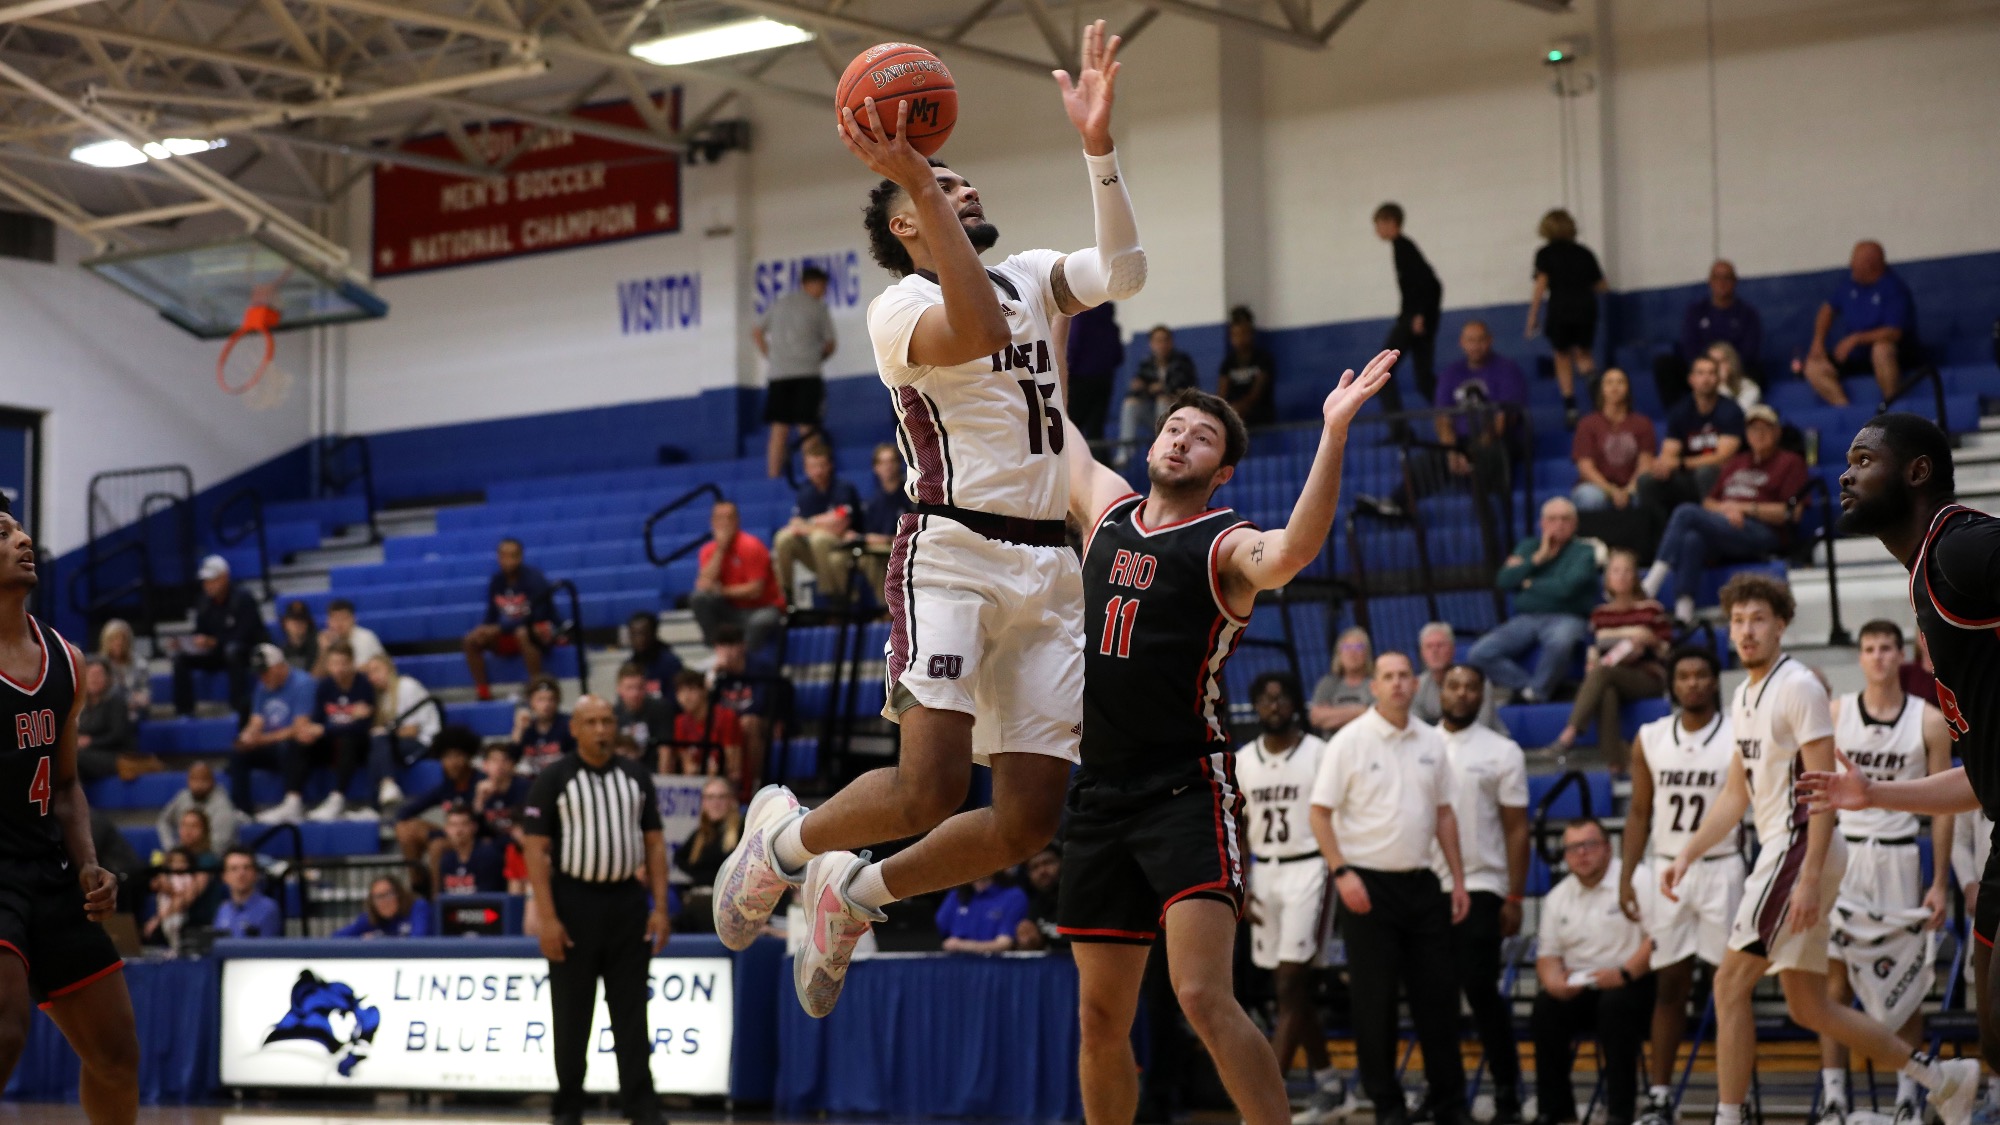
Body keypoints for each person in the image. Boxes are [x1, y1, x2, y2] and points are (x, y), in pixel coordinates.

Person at [714, 20, 1153, 1021]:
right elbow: (981, 328)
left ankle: (850, 894)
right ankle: (778, 847)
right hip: (949, 552)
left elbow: (1121, 272)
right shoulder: (898, 310)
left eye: (957, 178)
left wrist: (1097, 145)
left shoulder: (1033, 271)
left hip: (1049, 568)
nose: (957, 184)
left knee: (1028, 821)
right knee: (926, 790)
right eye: (937, 186)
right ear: (907, 225)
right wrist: (911, 178)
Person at [1055, 342, 1393, 1125]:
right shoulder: (1105, 509)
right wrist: (1054, 327)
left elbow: (1294, 550)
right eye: (1172, 427)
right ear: (1151, 443)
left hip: (1184, 788)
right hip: (1100, 790)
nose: (1179, 439)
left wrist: (1333, 433)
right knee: (1099, 1019)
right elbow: (1059, 424)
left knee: (1203, 994)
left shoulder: (1226, 543)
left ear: (1222, 470)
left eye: (1200, 437)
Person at [1662, 574, 1979, 1125]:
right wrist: (1689, 851)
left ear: (1782, 624)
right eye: (1737, 621)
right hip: (1785, 850)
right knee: (1808, 1005)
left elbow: (1822, 791)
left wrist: (1808, 876)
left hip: (1799, 848)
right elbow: (1737, 792)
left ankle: (1728, 1118)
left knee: (1728, 984)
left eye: (1758, 619)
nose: (1746, 630)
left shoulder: (1799, 688)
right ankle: (1943, 1077)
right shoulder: (1742, 693)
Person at [1805, 414, 2000, 1073]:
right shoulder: (1928, 573)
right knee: (1995, 1041)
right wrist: (1873, 792)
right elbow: (1981, 774)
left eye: (1863, 459)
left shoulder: (1959, 547)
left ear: (1917, 471)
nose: (1844, 472)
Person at [0, 492, 140, 1120]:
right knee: (4, 1034)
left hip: (47, 868)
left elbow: (63, 785)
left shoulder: (67, 660)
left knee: (117, 1056)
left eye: (21, 530)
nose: (22, 539)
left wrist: (88, 863)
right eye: (2, 534)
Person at [1310, 652, 1473, 1125]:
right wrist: (1342, 873)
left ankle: (1449, 1104)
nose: (1399, 683)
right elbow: (1319, 813)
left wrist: (1458, 880)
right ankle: (1387, 1105)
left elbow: (1444, 813)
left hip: (1424, 884)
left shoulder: (1431, 740)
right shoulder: (1349, 741)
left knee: (1438, 999)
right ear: (1374, 687)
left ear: (1416, 683)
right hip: (1367, 885)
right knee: (1374, 1002)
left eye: (1405, 676)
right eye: (1389, 677)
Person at [1814, 619, 1954, 1125]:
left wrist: (1939, 881)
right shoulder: (1835, 714)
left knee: (1907, 987)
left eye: (1886, 647)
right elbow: (1821, 804)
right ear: (1859, 658)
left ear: (1901, 656)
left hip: (1899, 857)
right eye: (1869, 648)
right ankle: (1833, 1099)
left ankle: (1907, 1099)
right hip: (1845, 856)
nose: (1877, 656)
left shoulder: (1930, 720)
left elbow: (1943, 810)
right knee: (1832, 987)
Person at [521, 694, 671, 1125]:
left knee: (631, 1013)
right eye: (592, 722)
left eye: (607, 721)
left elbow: (655, 845)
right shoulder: (553, 778)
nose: (602, 730)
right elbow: (534, 850)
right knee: (571, 1014)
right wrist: (547, 918)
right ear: (574, 728)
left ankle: (641, 1107)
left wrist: (659, 908)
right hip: (573, 903)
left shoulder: (635, 776)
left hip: (626, 902)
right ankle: (568, 1108)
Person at [1620, 646, 1744, 1125]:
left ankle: (1729, 1100)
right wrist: (1628, 875)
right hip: (1668, 869)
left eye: (1700, 675)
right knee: (1669, 986)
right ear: (1672, 685)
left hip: (1722, 866)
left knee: (1727, 988)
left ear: (1715, 681)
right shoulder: (1649, 737)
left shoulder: (1736, 732)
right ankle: (1659, 1097)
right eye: (1684, 676)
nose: (1692, 683)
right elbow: (1637, 813)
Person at [1235, 673, 1342, 1121]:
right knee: (1289, 989)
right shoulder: (1242, 759)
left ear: (1295, 703)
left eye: (1280, 698)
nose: (1273, 706)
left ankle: (1263, 1105)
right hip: (1265, 872)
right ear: (1255, 707)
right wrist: (1239, 884)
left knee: (1290, 982)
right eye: (1264, 699)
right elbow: (1233, 828)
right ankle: (1331, 1084)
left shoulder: (1320, 754)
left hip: (1311, 867)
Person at [1433, 664, 1530, 1125]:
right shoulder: (1419, 744)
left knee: (1479, 987)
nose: (1462, 693)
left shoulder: (1503, 751)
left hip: (1482, 884)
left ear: (1482, 696)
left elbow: (1516, 829)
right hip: (1426, 886)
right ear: (1440, 691)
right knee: (1435, 996)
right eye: (1454, 685)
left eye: (1472, 687)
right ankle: (1444, 1096)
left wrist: (1515, 897)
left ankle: (1508, 1088)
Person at [1533, 819, 1657, 1125]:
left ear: (1607, 847)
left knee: (1615, 1008)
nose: (1582, 854)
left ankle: (1620, 1112)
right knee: (1545, 1008)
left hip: (1634, 982)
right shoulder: (1557, 897)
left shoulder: (1639, 880)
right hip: (1582, 987)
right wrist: (1555, 984)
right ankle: (1555, 1110)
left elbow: (1658, 939)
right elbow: (1548, 957)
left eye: (1589, 844)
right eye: (1573, 848)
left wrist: (1624, 975)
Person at [1641, 403, 1808, 623]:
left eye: (1765, 429)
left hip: (1765, 532)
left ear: (1777, 432)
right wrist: (1727, 509)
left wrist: (1745, 508)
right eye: (1753, 429)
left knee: (1685, 512)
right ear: (1746, 434)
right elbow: (1709, 501)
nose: (1759, 434)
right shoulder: (1736, 462)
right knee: (1692, 539)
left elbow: (1791, 513)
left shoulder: (1790, 462)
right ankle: (1684, 613)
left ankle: (1650, 585)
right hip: (1729, 526)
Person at [1548, 549, 1673, 771]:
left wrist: (1651, 640)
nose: (1622, 576)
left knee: (1604, 673)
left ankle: (1571, 731)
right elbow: (1593, 657)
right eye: (1616, 571)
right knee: (1606, 690)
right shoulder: (1599, 615)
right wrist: (1595, 664)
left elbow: (1668, 653)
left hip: (1648, 676)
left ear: (1635, 577)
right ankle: (1615, 763)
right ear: (1607, 578)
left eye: (1627, 571)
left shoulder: (1651, 609)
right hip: (1611, 675)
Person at [1468, 497, 1597, 704]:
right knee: (1479, 653)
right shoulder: (1528, 547)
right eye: (1552, 519)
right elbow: (1504, 580)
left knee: (1560, 642)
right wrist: (1537, 559)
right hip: (1527, 617)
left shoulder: (1584, 551)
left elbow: (1567, 589)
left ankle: (1537, 694)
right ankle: (1529, 688)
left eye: (1565, 519)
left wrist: (1529, 583)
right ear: (1542, 523)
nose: (1559, 524)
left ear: (1575, 524)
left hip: (1568, 616)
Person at [1802, 241, 1920, 408]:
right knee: (1813, 366)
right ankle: (1845, 409)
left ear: (1870, 264)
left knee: (1881, 350)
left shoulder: (1893, 289)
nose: (1850, 265)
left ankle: (1892, 407)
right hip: (1856, 357)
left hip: (1894, 356)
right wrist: (1818, 341)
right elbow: (1827, 309)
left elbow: (1894, 332)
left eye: (1855, 261)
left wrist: (1856, 339)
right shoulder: (1850, 285)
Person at [1638, 353, 1746, 524]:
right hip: (1688, 478)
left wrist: (1681, 464)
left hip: (1724, 477)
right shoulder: (1680, 410)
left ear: (1718, 379)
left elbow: (1722, 457)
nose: (1706, 379)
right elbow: (1669, 451)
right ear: (1691, 379)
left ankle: (1713, 528)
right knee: (1647, 481)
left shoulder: (1731, 411)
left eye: (1711, 373)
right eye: (1701, 373)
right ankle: (1658, 539)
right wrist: (1664, 466)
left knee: (1707, 471)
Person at [1525, 208, 1608, 428]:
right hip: (1585, 306)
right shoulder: (1584, 252)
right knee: (1583, 352)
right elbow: (1602, 286)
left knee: (1561, 355)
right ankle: (1597, 393)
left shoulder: (1545, 253)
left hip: (1560, 307)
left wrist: (1533, 316)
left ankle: (1570, 405)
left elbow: (1541, 285)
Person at [757, 263, 839, 478]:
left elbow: (757, 331)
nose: (824, 291)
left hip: (779, 375)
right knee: (808, 428)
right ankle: (813, 475)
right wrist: (817, 359)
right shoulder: (818, 307)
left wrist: (771, 356)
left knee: (779, 430)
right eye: (823, 286)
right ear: (812, 284)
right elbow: (830, 344)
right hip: (807, 374)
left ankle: (772, 477)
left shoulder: (779, 304)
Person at [1653, 259, 1762, 409]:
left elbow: (1749, 350)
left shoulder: (1747, 314)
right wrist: (1707, 369)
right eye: (1717, 277)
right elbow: (1689, 346)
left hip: (1733, 371)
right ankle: (1678, 416)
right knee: (1664, 364)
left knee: (1759, 372)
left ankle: (1740, 411)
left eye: (1727, 278)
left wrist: (1726, 365)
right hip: (1701, 368)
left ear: (1735, 281)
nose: (1722, 282)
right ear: (1710, 281)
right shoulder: (1696, 311)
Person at [1433, 320, 1529, 486]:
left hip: (1498, 440)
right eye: (1470, 340)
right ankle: (1393, 506)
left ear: (1490, 340)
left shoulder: (1507, 369)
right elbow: (1443, 419)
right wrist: (1453, 451)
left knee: (1489, 458)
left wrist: (1472, 452)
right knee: (1425, 462)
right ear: (1461, 343)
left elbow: (1504, 420)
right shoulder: (1451, 373)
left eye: (1480, 340)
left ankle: (1486, 508)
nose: (1476, 346)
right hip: (1461, 441)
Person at [173, 554, 267, 721]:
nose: (207, 585)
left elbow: (246, 635)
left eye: (212, 580)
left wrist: (216, 642)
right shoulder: (203, 602)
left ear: (224, 578)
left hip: (245, 653)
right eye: (205, 581)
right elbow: (200, 631)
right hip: (216, 654)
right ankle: (184, 711)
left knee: (233, 650)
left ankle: (237, 709)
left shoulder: (243, 598)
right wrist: (188, 643)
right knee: (180, 657)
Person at [773, 440, 865, 606]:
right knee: (783, 538)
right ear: (806, 469)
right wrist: (823, 523)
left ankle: (830, 599)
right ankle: (786, 598)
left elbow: (840, 522)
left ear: (830, 465)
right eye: (813, 467)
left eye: (822, 466)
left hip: (845, 548)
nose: (818, 471)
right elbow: (795, 524)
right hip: (815, 554)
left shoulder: (843, 488)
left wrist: (809, 523)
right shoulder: (805, 492)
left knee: (819, 538)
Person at [462, 539, 555, 702]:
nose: (508, 560)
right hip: (509, 634)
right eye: (504, 556)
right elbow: (491, 616)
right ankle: (483, 694)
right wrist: (484, 630)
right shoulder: (496, 581)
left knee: (524, 633)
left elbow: (539, 615)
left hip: (540, 632)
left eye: (513, 556)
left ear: (520, 557)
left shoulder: (534, 579)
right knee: (471, 640)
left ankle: (536, 690)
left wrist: (500, 628)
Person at [688, 499, 785, 654]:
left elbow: (755, 590)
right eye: (719, 518)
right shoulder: (708, 550)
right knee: (699, 598)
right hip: (731, 608)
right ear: (712, 522)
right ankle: (716, 651)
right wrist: (720, 549)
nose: (725, 523)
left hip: (761, 607)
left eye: (729, 518)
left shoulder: (751, 545)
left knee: (762, 620)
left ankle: (743, 661)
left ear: (737, 521)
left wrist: (720, 591)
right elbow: (703, 585)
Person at [238, 643, 319, 823]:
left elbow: (300, 727)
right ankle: (242, 809)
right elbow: (256, 721)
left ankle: (292, 803)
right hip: (270, 744)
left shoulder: (303, 683)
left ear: (279, 666)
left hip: (295, 745)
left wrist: (263, 739)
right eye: (259, 672)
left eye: (265, 671)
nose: (262, 677)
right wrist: (248, 735)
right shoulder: (262, 687)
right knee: (238, 752)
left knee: (291, 744)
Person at [1374, 201, 1444, 409]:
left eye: (1378, 224)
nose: (1376, 230)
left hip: (1413, 318)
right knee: (1423, 379)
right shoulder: (1401, 247)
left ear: (1390, 222)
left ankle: (1399, 431)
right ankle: (1453, 416)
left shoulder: (1404, 247)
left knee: (1381, 372)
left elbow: (1428, 284)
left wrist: (1419, 315)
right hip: (1416, 317)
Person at [297, 641, 376, 822]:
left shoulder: (363, 685)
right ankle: (293, 799)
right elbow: (317, 720)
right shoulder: (325, 686)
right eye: (333, 663)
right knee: (302, 741)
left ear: (352, 662)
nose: (338, 668)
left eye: (343, 663)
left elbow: (361, 727)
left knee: (348, 739)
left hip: (358, 745)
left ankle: (337, 798)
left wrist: (325, 729)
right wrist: (315, 730)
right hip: (331, 742)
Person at [393, 728, 484, 863]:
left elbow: (484, 822)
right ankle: (418, 881)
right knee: (404, 828)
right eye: (447, 757)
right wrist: (434, 833)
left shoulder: (482, 784)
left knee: (437, 846)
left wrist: (437, 834)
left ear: (468, 757)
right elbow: (405, 812)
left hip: (479, 837)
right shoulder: (445, 787)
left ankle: (437, 885)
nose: (452, 762)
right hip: (452, 835)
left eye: (458, 755)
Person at [1571, 368, 1657, 512]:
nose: (1615, 387)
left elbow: (1645, 464)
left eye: (1620, 382)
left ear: (1628, 388)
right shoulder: (1587, 424)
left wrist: (1629, 491)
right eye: (1609, 382)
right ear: (1602, 389)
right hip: (1596, 486)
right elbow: (1585, 467)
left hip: (1632, 485)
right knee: (1590, 497)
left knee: (1648, 492)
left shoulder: (1643, 423)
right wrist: (1612, 491)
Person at [708, 624, 774, 797]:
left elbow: (760, 705)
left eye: (731, 645)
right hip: (730, 725)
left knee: (747, 722)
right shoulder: (718, 674)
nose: (727, 651)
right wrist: (713, 675)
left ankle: (756, 785)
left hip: (764, 723)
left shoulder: (759, 668)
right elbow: (707, 709)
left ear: (742, 646)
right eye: (722, 646)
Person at [363, 653, 437, 806]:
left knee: (378, 740)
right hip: (398, 743)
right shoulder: (381, 697)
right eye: (369, 673)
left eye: (376, 669)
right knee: (374, 751)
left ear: (389, 668)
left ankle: (385, 789)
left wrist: (382, 733)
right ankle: (382, 794)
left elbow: (412, 731)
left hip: (424, 741)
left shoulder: (407, 686)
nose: (372, 676)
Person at [1119, 324, 1199, 465]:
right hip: (1156, 417)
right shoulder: (1146, 364)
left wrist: (1161, 387)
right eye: (1157, 341)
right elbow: (1136, 390)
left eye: (1164, 340)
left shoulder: (1182, 361)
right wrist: (1149, 388)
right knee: (1130, 404)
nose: (1161, 345)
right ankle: (1125, 452)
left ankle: (1164, 446)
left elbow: (1181, 388)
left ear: (1171, 342)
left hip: (1181, 418)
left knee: (1163, 400)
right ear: (1151, 344)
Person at [1412, 622, 1502, 733]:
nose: (1434, 651)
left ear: (1452, 649)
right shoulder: (1417, 685)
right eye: (1429, 646)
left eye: (1440, 645)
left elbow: (1480, 727)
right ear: (1422, 653)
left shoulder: (1476, 682)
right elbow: (1417, 729)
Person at [75, 658, 147, 784]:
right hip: (91, 754)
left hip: (116, 754)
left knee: (75, 758)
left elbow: (118, 735)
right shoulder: (82, 704)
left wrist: (91, 742)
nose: (94, 679)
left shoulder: (116, 701)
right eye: (90, 675)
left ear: (108, 678)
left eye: (98, 675)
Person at [857, 442, 913, 603]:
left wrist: (888, 539)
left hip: (906, 546)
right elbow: (869, 534)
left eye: (891, 461)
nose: (888, 467)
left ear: (898, 464)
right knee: (865, 557)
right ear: (876, 468)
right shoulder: (873, 501)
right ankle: (887, 606)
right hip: (881, 549)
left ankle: (894, 609)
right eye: (883, 462)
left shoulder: (911, 495)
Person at [1066, 300, 1123, 441]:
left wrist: (1067, 369)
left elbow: (1073, 346)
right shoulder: (1111, 324)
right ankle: (1100, 461)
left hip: (1079, 379)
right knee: (1096, 430)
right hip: (1105, 379)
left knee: (1072, 427)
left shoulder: (1079, 318)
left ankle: (1072, 462)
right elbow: (1118, 356)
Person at [157, 760, 241, 855]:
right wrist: (171, 848)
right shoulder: (183, 797)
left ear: (212, 781)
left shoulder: (223, 805)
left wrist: (191, 858)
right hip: (186, 857)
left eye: (203, 780)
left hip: (216, 859)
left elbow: (220, 843)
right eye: (194, 780)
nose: (199, 785)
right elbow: (163, 820)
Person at [667, 669, 739, 780]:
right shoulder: (680, 721)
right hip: (698, 784)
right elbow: (688, 767)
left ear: (704, 691)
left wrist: (713, 770)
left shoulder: (726, 717)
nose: (685, 697)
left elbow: (733, 767)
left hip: (726, 784)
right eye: (680, 692)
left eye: (691, 690)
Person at [677, 776, 742, 893]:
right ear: (703, 802)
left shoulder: (742, 832)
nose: (715, 803)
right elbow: (679, 858)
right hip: (701, 896)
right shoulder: (699, 835)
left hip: (732, 897)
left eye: (721, 797)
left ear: (731, 801)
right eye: (710, 797)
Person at [936, 871, 1030, 952]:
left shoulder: (1013, 896)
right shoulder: (955, 896)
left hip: (996, 967)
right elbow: (938, 936)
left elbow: (1004, 944)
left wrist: (961, 945)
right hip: (956, 968)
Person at [1308, 627, 1375, 735]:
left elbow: (1378, 717)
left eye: (1358, 647)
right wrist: (1360, 711)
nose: (1352, 652)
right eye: (1346, 647)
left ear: (1367, 654)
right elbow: (1316, 718)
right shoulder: (1327, 684)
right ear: (1339, 654)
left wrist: (1331, 715)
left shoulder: (1376, 684)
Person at [1217, 306, 1276, 427]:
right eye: (1236, 334)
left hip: (1260, 415)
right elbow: (1222, 394)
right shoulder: (1228, 363)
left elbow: (1256, 395)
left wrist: (1237, 408)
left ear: (1251, 333)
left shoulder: (1263, 359)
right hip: (1233, 415)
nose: (1240, 339)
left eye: (1244, 333)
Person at [143, 846, 210, 951]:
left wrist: (157, 918)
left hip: (177, 913)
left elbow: (180, 896)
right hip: (163, 907)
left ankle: (176, 949)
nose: (179, 866)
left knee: (174, 926)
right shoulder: (166, 876)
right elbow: (153, 885)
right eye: (175, 862)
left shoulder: (187, 878)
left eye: (183, 863)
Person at [431, 805, 506, 896]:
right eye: (453, 825)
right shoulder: (447, 860)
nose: (458, 831)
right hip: (453, 909)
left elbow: (489, 897)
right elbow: (444, 898)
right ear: (446, 829)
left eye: (464, 824)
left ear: (474, 827)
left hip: (484, 908)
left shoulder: (488, 855)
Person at [212, 846, 282, 937]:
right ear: (224, 876)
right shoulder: (223, 910)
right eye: (234, 869)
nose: (241, 874)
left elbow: (268, 949)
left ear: (255, 873)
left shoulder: (269, 909)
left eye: (246, 868)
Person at [334, 874, 432, 938]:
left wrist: (379, 940)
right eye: (378, 897)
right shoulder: (369, 919)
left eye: (388, 894)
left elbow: (418, 940)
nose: (384, 902)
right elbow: (336, 937)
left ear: (399, 894)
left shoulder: (418, 907)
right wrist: (361, 940)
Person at [512, 675, 574, 774]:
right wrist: (518, 730)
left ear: (558, 701)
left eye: (551, 699)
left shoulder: (568, 724)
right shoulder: (526, 727)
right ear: (530, 702)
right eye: (540, 700)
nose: (546, 705)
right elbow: (511, 760)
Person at [612, 662, 676, 756]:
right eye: (629, 688)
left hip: (653, 768)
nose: (635, 693)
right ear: (619, 689)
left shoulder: (661, 709)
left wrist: (662, 771)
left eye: (640, 687)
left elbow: (665, 751)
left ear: (646, 687)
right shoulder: (612, 715)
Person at [95, 618, 149, 721]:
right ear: (106, 641)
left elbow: (145, 697)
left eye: (123, 639)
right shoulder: (98, 665)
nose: (118, 643)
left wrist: (133, 700)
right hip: (105, 710)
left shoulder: (140, 664)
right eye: (114, 639)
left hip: (133, 710)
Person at [1014, 843, 1065, 952]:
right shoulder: (1035, 905)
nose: (1042, 871)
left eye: (1048, 862)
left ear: (1063, 863)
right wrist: (1030, 943)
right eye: (1034, 867)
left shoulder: (1081, 900)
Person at [314, 599, 384, 675]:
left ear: (353, 619)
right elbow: (316, 678)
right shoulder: (324, 639)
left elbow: (375, 668)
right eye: (335, 619)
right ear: (328, 622)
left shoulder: (366, 637)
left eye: (343, 618)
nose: (339, 623)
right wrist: (323, 651)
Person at [624, 611, 683, 696]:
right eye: (634, 634)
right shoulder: (628, 666)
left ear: (654, 633)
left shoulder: (671, 664)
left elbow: (677, 699)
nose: (639, 639)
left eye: (643, 633)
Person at [1709, 342, 1760, 410]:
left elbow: (1736, 413)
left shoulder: (1749, 387)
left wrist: (1721, 384)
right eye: (1711, 362)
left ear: (1731, 363)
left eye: (1719, 362)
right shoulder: (1701, 389)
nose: (1714, 366)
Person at [277, 600, 318, 671]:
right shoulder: (280, 652)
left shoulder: (318, 647)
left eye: (301, 620)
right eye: (293, 620)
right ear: (285, 623)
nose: (297, 624)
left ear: (308, 624)